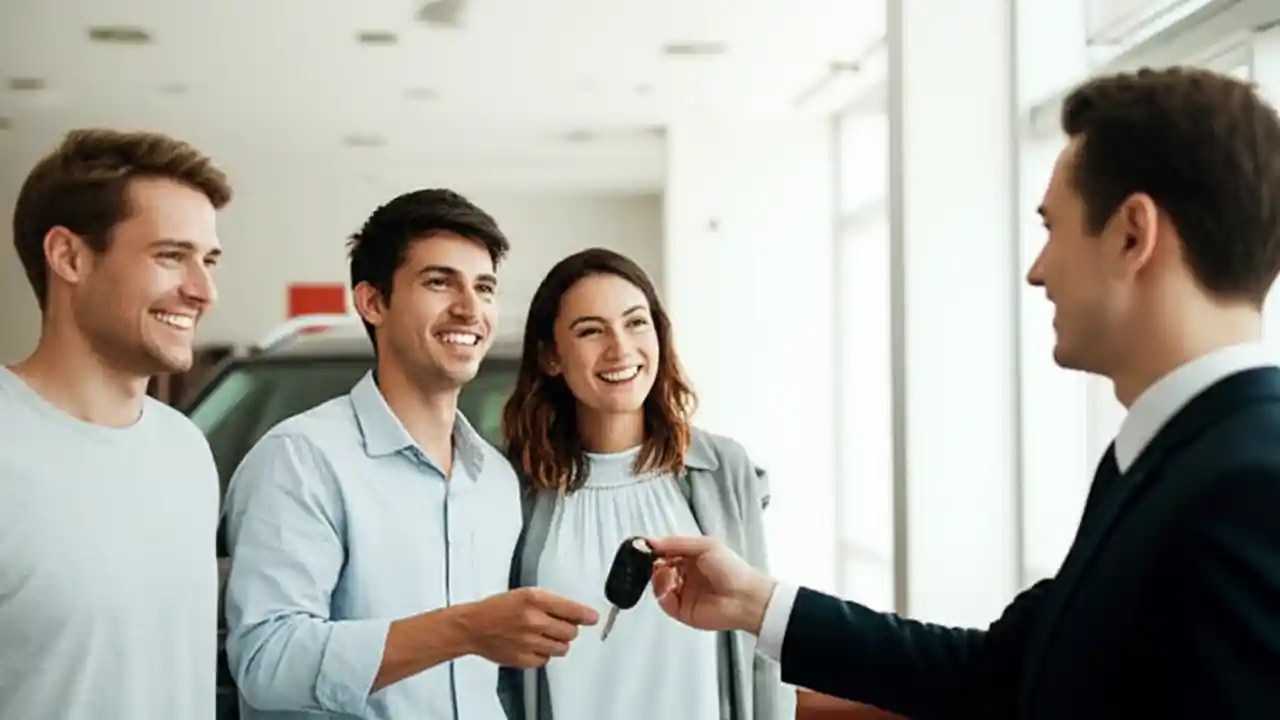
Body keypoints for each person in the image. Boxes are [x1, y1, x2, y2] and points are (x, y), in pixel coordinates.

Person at [646, 66, 1280, 719]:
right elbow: (1002, 671)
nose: (1038, 272)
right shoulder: (1164, 458)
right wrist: (754, 601)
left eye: (1051, 228)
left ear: (1131, 234)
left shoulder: (1250, 484)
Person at [221, 189, 599, 720]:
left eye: (484, 287)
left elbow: (499, 683)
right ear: (372, 302)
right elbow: (269, 664)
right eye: (440, 282)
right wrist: (463, 628)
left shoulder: (494, 479)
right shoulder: (301, 461)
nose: (470, 308)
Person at [500, 247, 794, 720]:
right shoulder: (512, 487)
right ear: (551, 356)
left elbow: (760, 644)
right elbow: (499, 674)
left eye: (636, 323)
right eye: (591, 331)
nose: (620, 348)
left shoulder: (723, 468)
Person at [0, 129, 232, 719]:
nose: (203, 290)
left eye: (208, 260)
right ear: (69, 257)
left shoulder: (185, 450)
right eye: (170, 256)